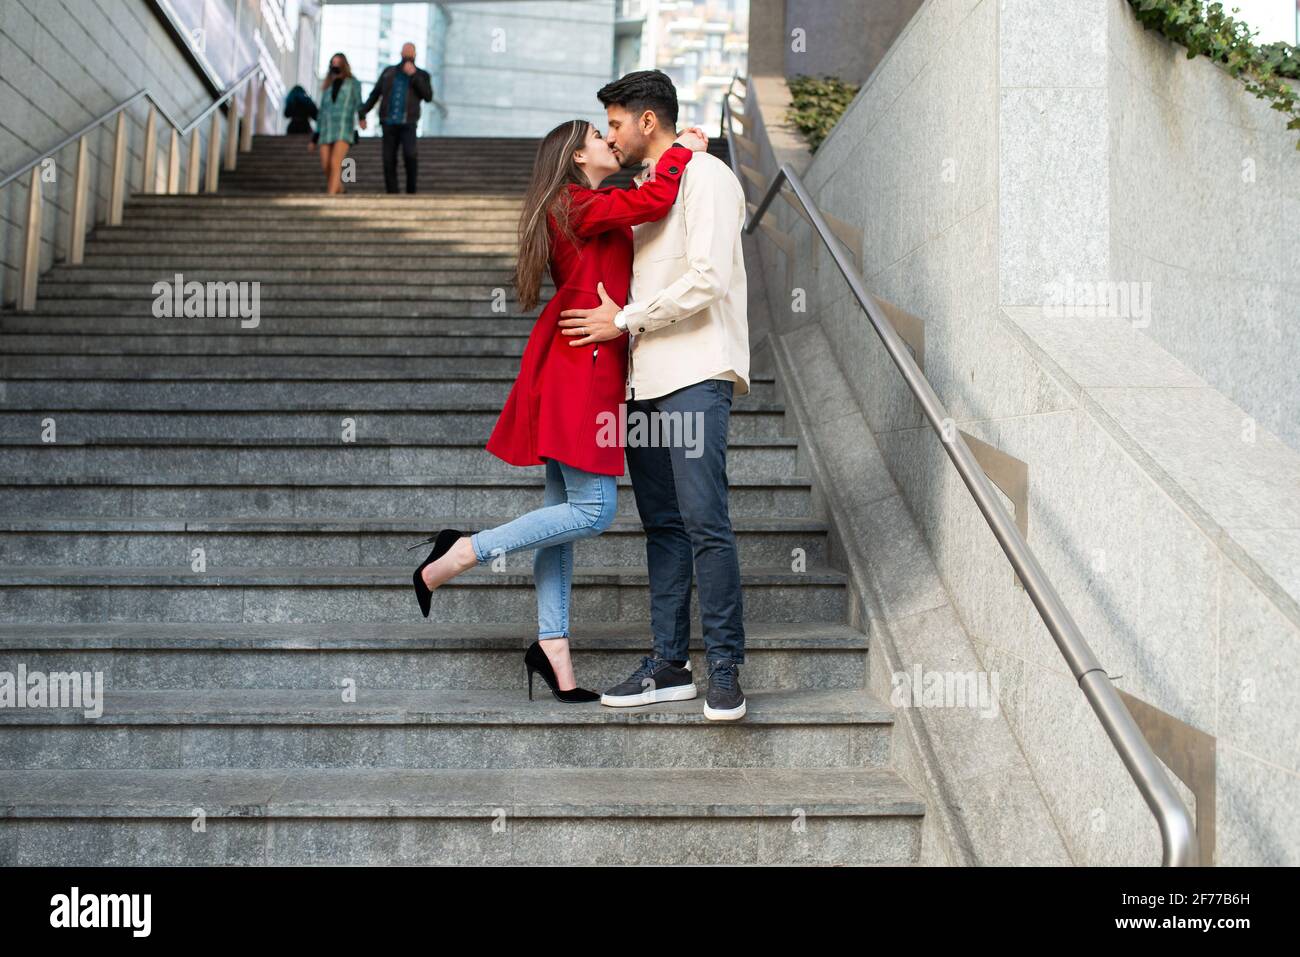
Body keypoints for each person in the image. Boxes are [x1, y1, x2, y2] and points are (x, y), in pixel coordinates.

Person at [408, 118, 709, 703]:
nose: (610, 142)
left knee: (563, 513)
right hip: (582, 362)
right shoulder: (574, 203)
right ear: (576, 158)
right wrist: (682, 154)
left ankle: (554, 651)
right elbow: (653, 198)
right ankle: (462, 551)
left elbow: (639, 208)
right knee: (594, 510)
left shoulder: (588, 202)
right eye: (601, 136)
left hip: (583, 357)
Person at [557, 70, 751, 721]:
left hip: (695, 373)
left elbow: (708, 278)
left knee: (703, 519)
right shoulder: (639, 193)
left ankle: (724, 665)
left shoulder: (708, 178)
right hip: (643, 385)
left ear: (646, 120)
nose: (610, 137)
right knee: (662, 525)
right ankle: (670, 662)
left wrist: (628, 318)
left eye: (614, 123)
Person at [359, 42, 434, 194]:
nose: (407, 54)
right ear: (400, 53)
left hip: (409, 123)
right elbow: (375, 94)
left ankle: (411, 192)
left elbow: (427, 96)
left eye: (410, 51)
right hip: (388, 123)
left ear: (415, 55)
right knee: (388, 159)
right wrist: (363, 112)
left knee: (410, 155)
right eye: (405, 50)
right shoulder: (388, 72)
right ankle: (392, 193)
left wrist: (414, 76)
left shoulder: (422, 75)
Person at [314, 52, 364, 195]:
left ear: (344, 65)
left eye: (338, 63)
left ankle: (330, 197)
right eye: (333, 63)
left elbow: (358, 102)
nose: (335, 66)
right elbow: (322, 111)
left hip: (343, 126)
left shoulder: (353, 84)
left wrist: (361, 118)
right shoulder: (327, 87)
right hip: (326, 129)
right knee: (326, 165)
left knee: (336, 163)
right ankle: (340, 189)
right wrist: (314, 137)